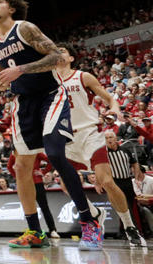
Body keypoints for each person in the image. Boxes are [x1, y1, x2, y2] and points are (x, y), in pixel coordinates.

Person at [0, 0, 103, 250]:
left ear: (11, 8)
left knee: (55, 153)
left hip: (50, 95)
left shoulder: (25, 28)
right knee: (21, 168)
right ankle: (35, 232)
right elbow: (4, 82)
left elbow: (56, 57)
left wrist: (21, 69)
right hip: (23, 103)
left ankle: (90, 222)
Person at [57, 44, 145, 246]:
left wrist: (113, 111)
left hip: (90, 132)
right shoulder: (48, 81)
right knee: (65, 183)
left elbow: (110, 99)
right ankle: (95, 213)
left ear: (71, 58)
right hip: (67, 137)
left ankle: (129, 227)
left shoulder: (83, 76)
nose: (57, 52)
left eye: (62, 50)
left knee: (106, 180)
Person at [105, 131, 146, 241]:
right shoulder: (104, 153)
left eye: (111, 137)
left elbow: (135, 163)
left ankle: (126, 231)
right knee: (123, 206)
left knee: (131, 206)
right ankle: (134, 232)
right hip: (114, 182)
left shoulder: (124, 150)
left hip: (127, 181)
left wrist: (136, 177)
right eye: (106, 138)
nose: (109, 139)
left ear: (115, 139)